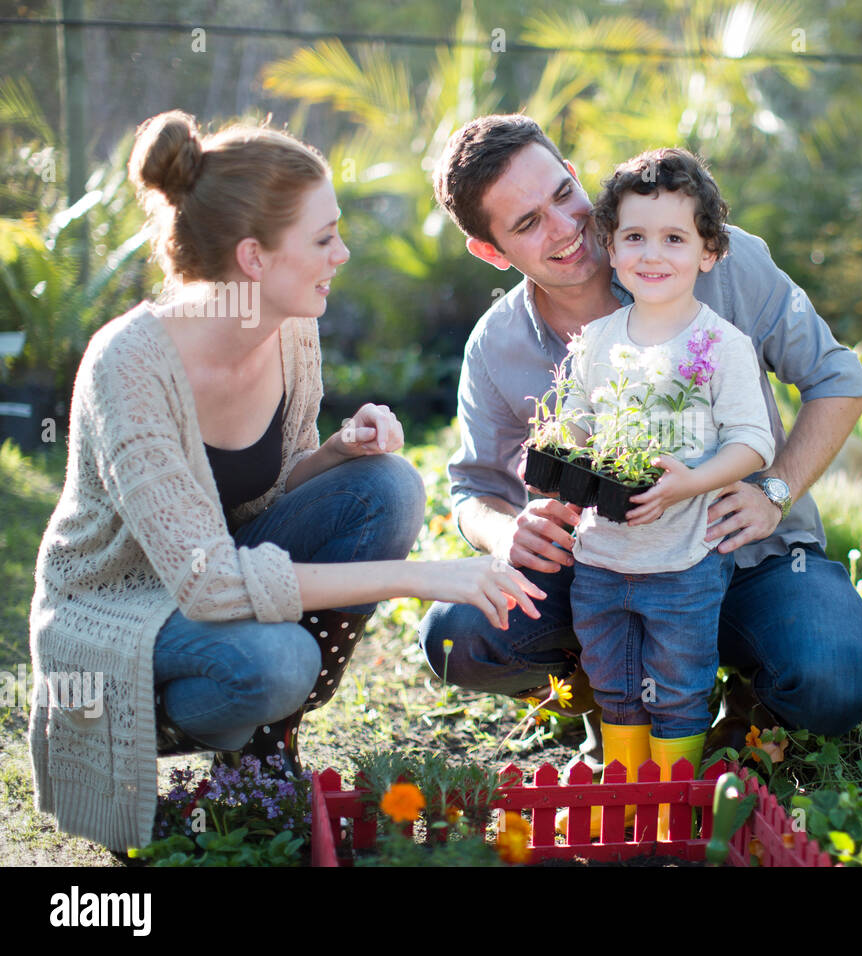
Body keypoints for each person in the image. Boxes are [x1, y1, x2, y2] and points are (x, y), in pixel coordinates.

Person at [28, 110, 543, 854]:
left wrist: (333, 453)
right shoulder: (129, 367)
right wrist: (426, 577)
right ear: (253, 257)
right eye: (324, 238)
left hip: (221, 573)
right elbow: (207, 584)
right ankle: (193, 728)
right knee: (281, 661)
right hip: (120, 615)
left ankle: (263, 753)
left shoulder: (290, 328)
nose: (343, 253)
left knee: (387, 485)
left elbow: (261, 501)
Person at [419, 113, 862, 745]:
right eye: (528, 224)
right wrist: (506, 531)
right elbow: (473, 488)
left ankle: (751, 706)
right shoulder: (496, 346)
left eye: (563, 195)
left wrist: (774, 491)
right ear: (491, 252)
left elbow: (840, 379)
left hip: (745, 555)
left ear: (575, 175)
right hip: (602, 572)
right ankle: (608, 694)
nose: (566, 229)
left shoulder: (712, 255)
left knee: (832, 680)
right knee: (459, 637)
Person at [561, 148, 776, 800]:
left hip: (684, 562)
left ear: (709, 252)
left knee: (678, 681)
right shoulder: (597, 340)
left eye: (675, 238)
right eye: (634, 236)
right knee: (613, 680)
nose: (652, 254)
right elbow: (574, 417)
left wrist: (692, 481)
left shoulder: (721, 345)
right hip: (600, 556)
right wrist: (558, 451)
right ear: (612, 247)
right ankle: (626, 794)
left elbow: (754, 442)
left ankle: (668, 808)